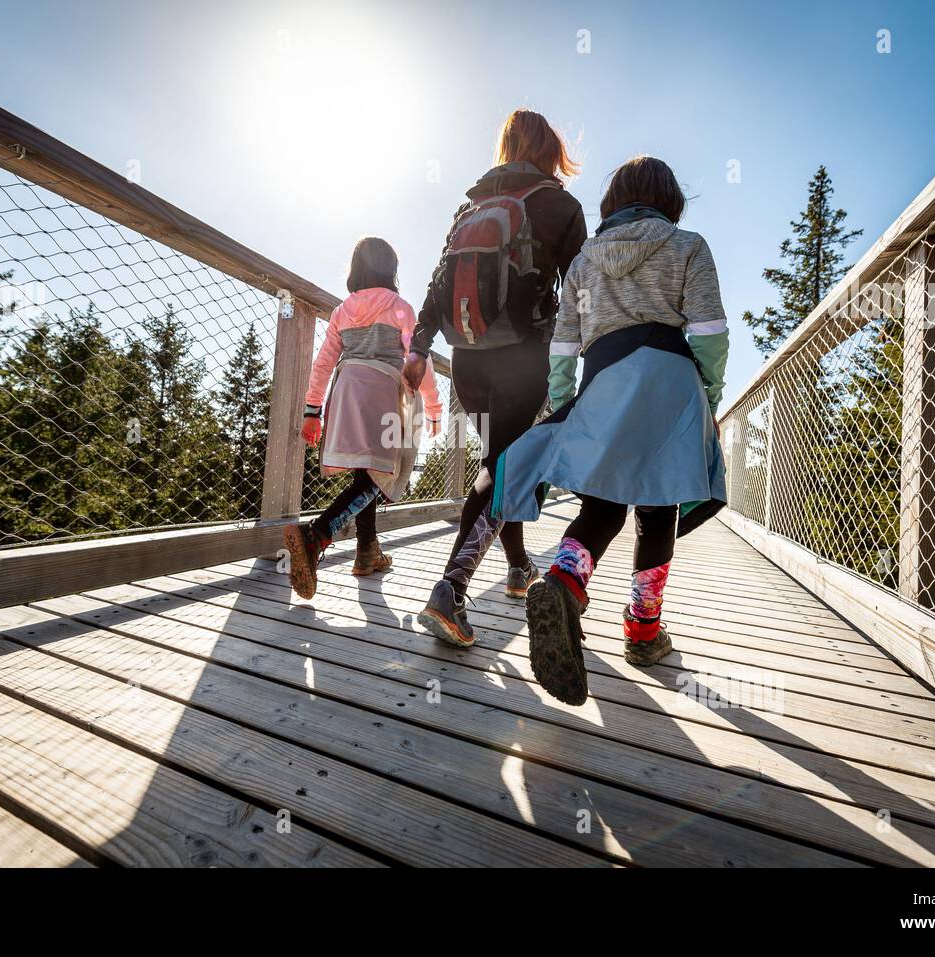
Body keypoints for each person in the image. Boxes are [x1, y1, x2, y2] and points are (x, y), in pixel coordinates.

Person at [492, 154, 730, 705]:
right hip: (672, 388)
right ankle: (644, 633)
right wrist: (706, 397)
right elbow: (711, 335)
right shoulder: (688, 246)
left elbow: (563, 347)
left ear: (612, 202)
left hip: (604, 388)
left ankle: (564, 582)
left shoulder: (582, 263)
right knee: (658, 509)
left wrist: (564, 407)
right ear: (670, 199)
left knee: (601, 506)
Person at [402, 109, 586, 648]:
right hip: (524, 355)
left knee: (502, 464)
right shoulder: (559, 204)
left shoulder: (472, 204)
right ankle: (451, 591)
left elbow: (440, 284)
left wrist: (419, 347)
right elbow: (580, 293)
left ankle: (517, 568)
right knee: (505, 469)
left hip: (468, 360)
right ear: (551, 153)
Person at [283, 237, 442, 599]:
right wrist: (433, 409)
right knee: (381, 472)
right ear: (391, 269)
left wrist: (312, 410)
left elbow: (324, 362)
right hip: (383, 392)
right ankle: (318, 533)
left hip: (346, 388)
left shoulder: (343, 310)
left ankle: (367, 551)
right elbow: (422, 364)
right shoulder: (400, 307)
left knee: (365, 470)